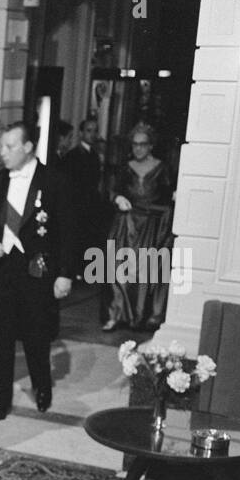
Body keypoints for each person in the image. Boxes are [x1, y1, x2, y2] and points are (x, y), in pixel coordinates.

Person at [0, 122, 77, 424]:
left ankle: (42, 388)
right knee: (0, 341)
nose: (3, 153)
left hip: (37, 270)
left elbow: (69, 231)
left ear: (28, 147)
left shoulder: (54, 181)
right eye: (2, 146)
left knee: (36, 335)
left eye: (10, 147)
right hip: (3, 269)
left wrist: (65, 273)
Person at [103, 123, 174, 332]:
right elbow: (113, 190)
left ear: (150, 146)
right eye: (135, 145)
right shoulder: (126, 168)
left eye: (142, 144)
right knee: (118, 267)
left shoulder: (162, 168)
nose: (138, 148)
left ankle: (143, 316)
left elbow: (168, 195)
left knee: (147, 269)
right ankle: (117, 315)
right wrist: (118, 198)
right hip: (127, 223)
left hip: (152, 224)